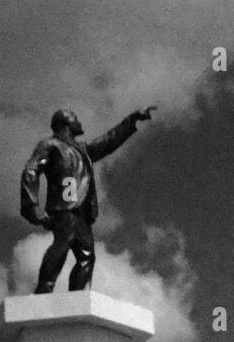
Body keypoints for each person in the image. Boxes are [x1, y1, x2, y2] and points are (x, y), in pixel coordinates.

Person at [20, 104, 157, 294]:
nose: (79, 121)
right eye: (75, 118)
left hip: (82, 211)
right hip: (64, 206)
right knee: (63, 242)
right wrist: (31, 204)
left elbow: (109, 141)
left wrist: (131, 120)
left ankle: (76, 297)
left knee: (87, 256)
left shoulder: (83, 150)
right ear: (65, 123)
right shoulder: (50, 145)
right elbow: (31, 170)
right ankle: (44, 289)